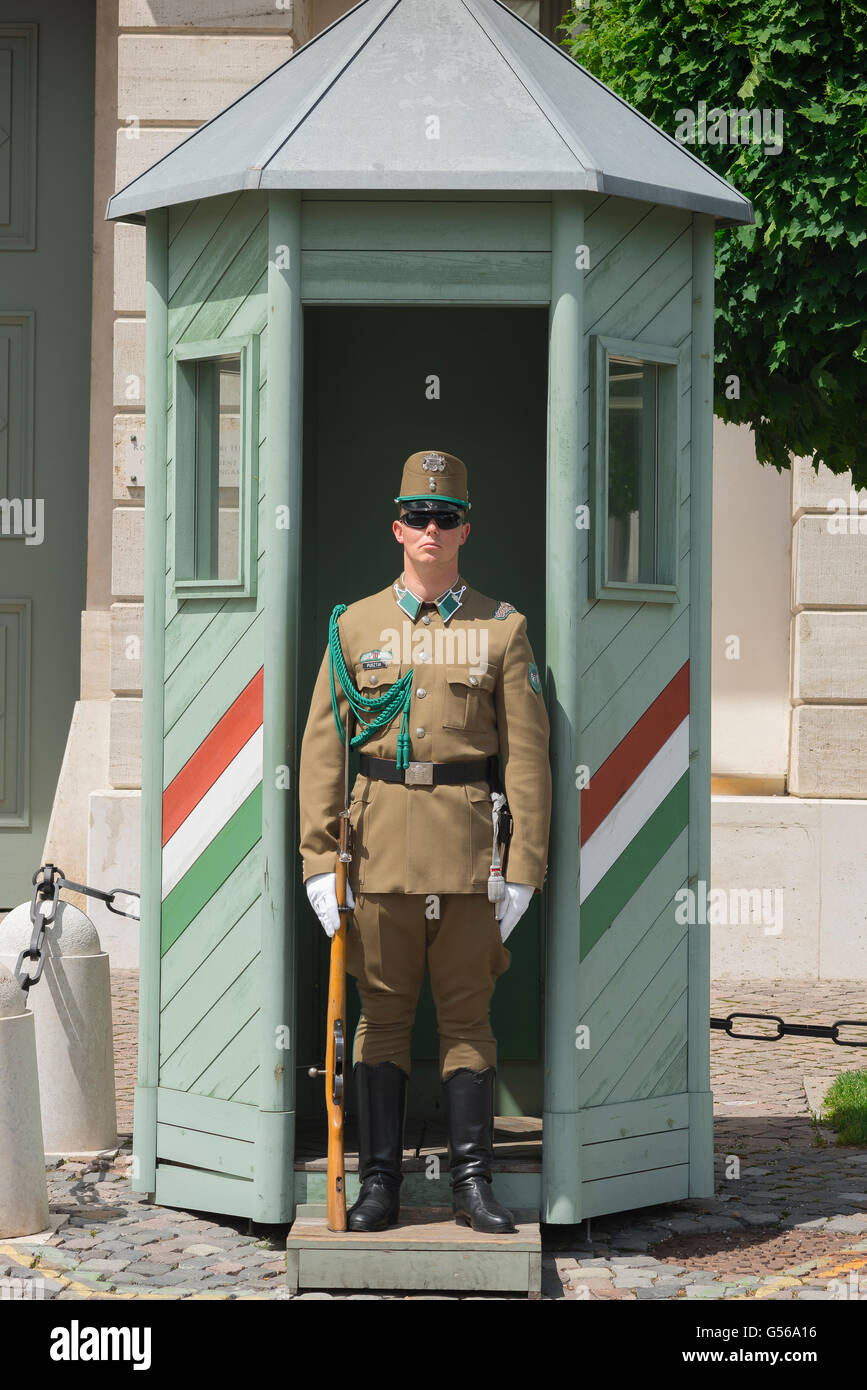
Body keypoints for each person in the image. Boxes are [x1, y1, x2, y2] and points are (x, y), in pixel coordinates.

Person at [298, 449, 551, 1234]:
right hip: (376, 857)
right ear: (396, 528)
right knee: (382, 1019)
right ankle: (380, 1185)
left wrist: (525, 868)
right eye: (416, 515)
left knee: (470, 1021)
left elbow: (529, 756)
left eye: (444, 517)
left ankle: (473, 1186)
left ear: (464, 528)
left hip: (470, 857)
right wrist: (316, 860)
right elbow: (322, 749)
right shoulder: (354, 625)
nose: (429, 529)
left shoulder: (499, 629)